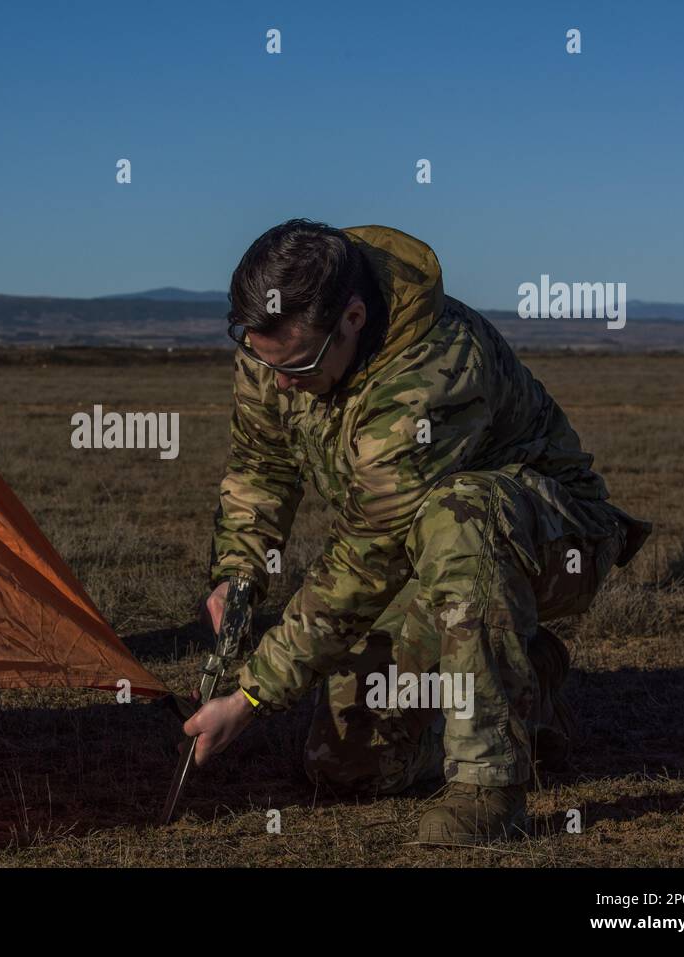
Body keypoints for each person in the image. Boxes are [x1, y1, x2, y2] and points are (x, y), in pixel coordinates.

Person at [187, 219, 652, 845]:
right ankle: (530, 688)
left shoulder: (435, 370)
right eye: (259, 358)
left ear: (353, 318)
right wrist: (238, 576)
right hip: (424, 559)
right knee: (347, 766)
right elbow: (261, 466)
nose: (280, 383)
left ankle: (489, 785)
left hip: (552, 541)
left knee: (463, 510)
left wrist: (251, 698)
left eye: (297, 365)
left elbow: (367, 557)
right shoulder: (276, 352)